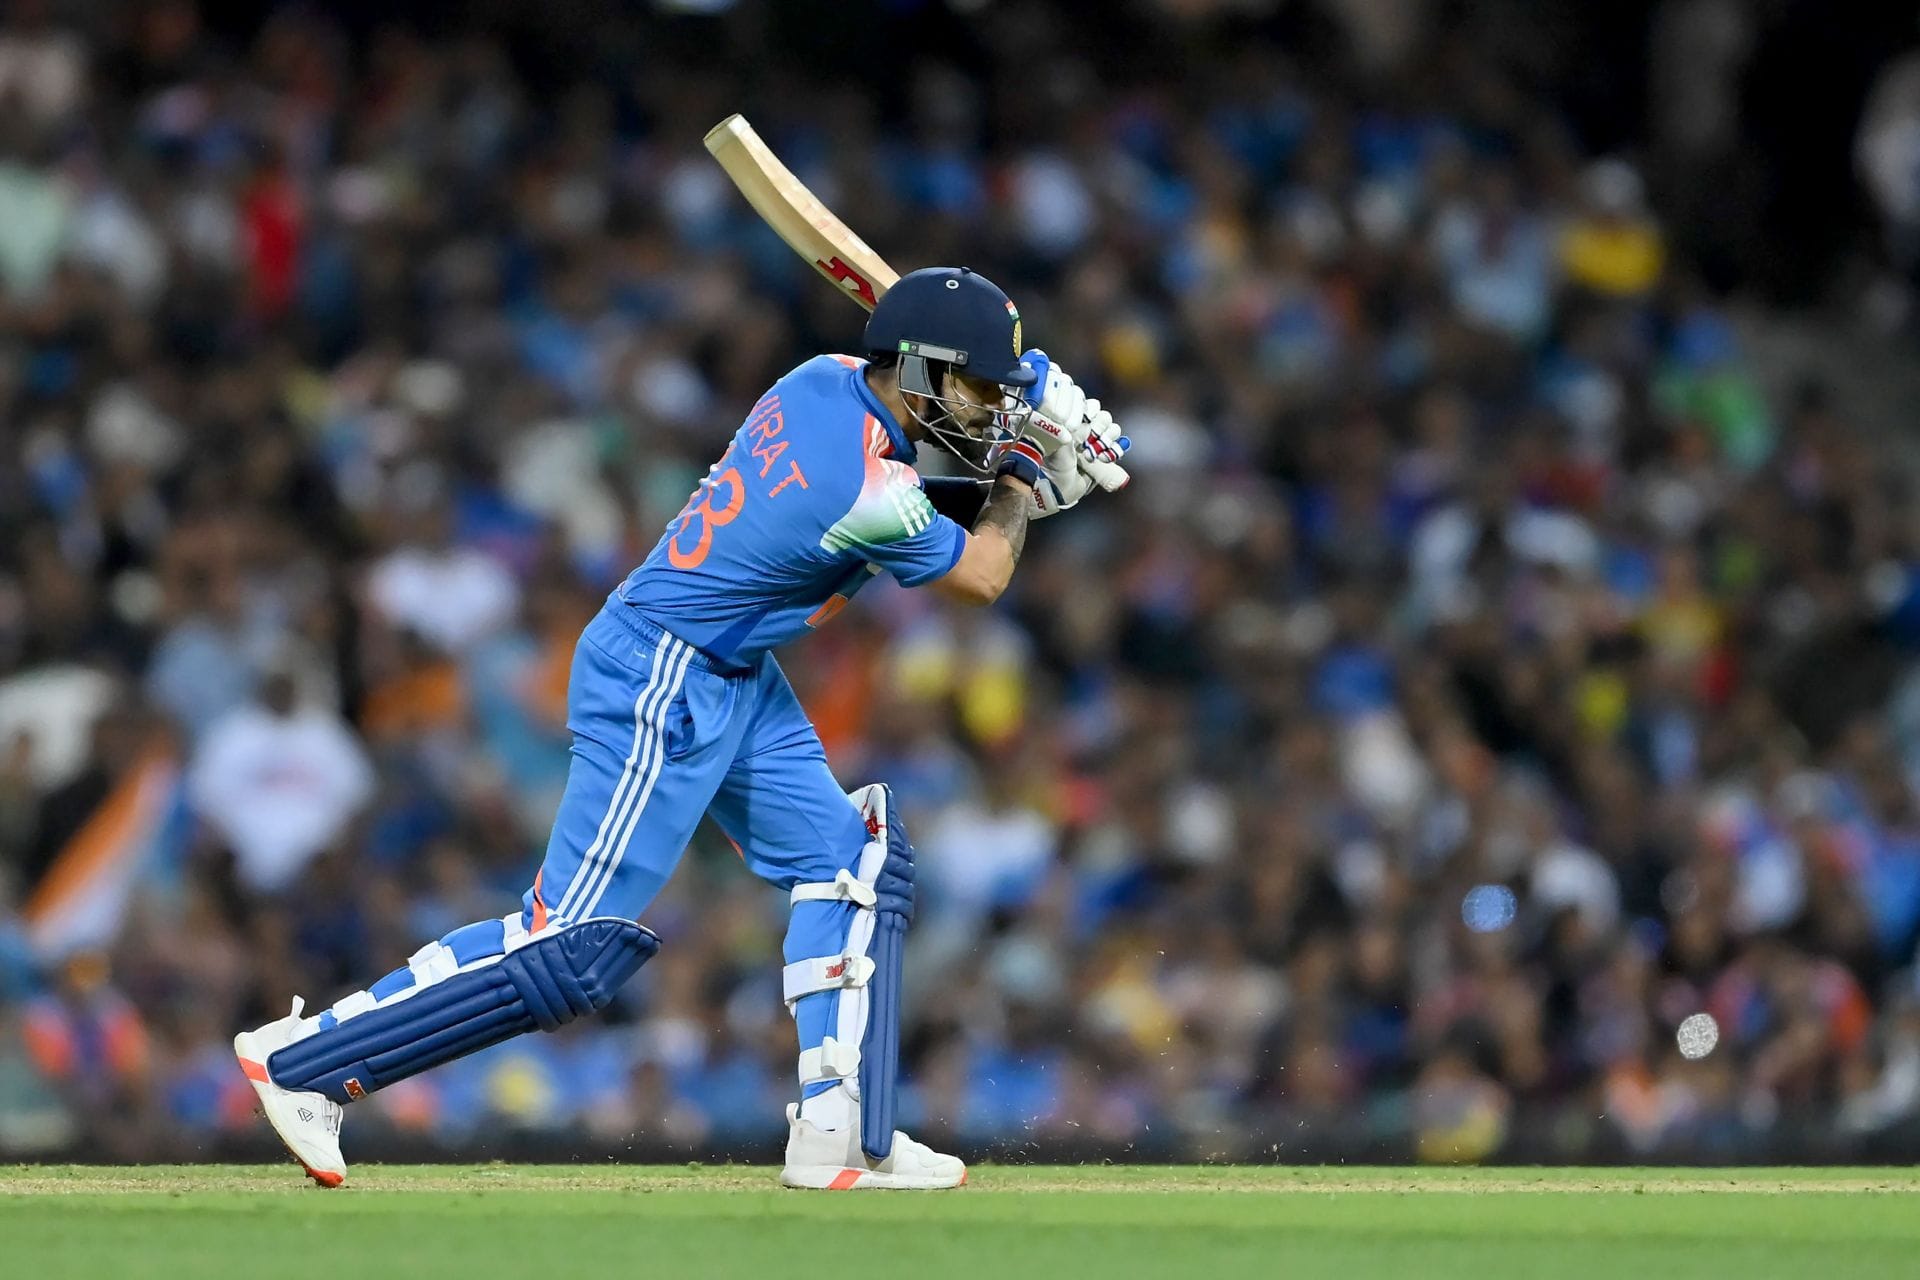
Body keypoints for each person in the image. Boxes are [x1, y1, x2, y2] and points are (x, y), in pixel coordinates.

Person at [231, 267, 1127, 1189]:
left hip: (729, 671)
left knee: (851, 858)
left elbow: (911, 473)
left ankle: (843, 1132)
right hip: (662, 675)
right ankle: (305, 1064)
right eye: (978, 389)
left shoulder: (819, 376)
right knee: (567, 948)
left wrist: (1010, 436)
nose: (986, 411)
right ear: (922, 372)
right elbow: (980, 576)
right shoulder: (865, 487)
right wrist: (1026, 478)